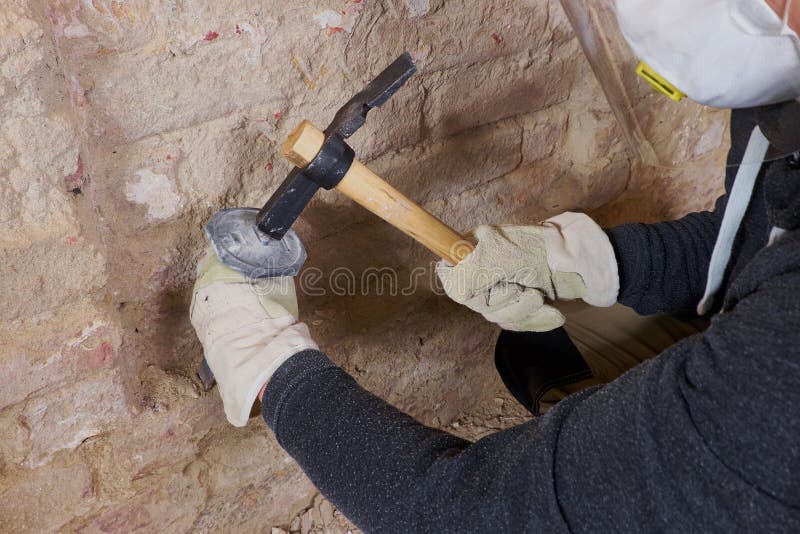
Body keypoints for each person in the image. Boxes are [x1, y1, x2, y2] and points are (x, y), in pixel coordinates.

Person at [190, 0, 800, 531]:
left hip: (768, 419)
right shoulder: (785, 87)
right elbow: (750, 234)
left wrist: (265, 360)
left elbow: (466, 516)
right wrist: (580, 259)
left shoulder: (779, 369)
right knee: (540, 349)